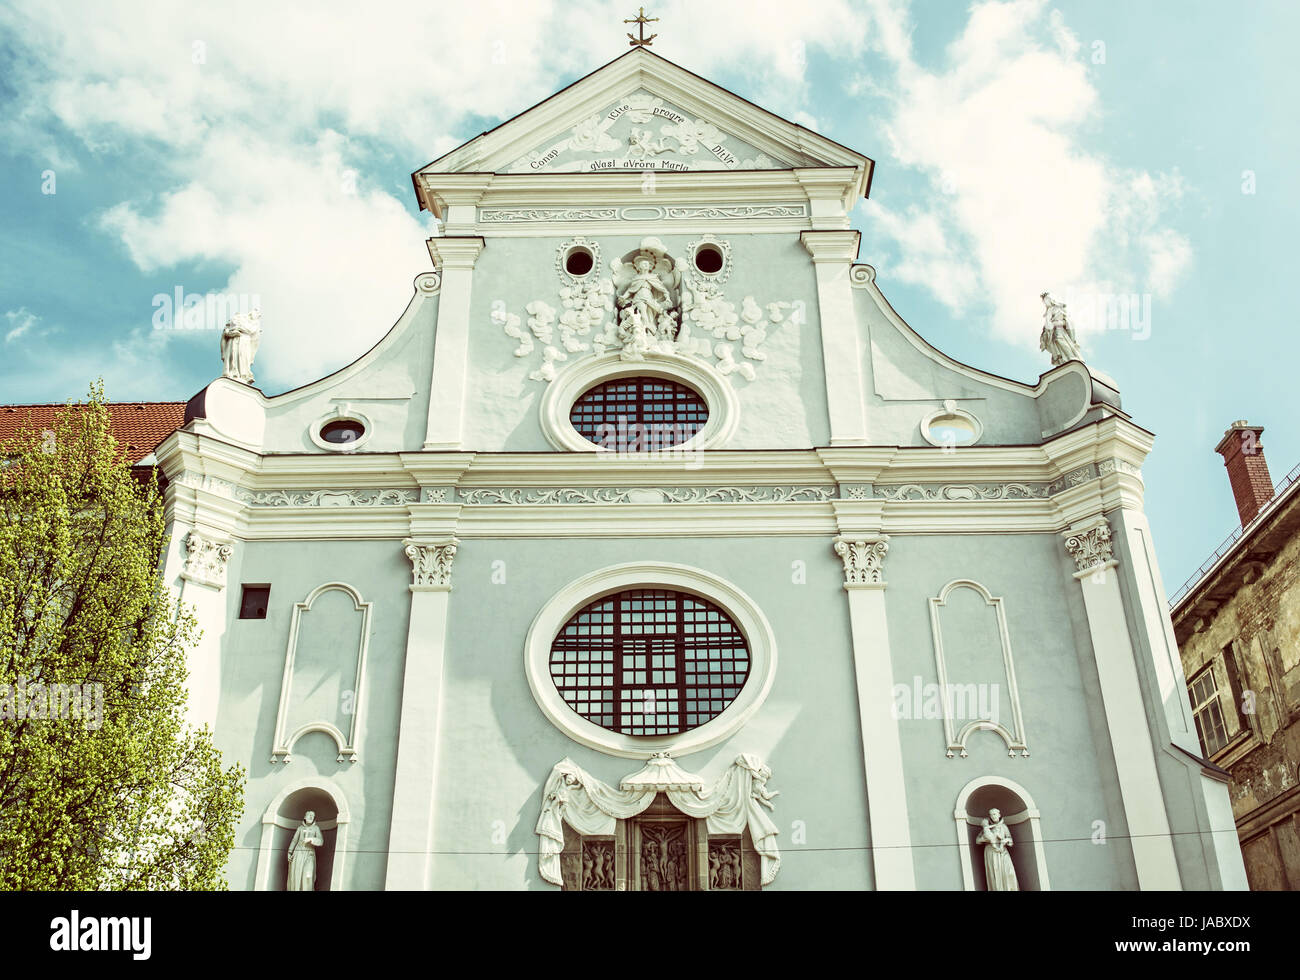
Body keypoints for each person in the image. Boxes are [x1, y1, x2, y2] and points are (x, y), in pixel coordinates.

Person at [976, 808, 1019, 891]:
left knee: (1009, 873)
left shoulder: (1004, 827)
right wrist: (986, 839)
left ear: (999, 815)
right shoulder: (987, 828)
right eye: (991, 815)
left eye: (994, 814)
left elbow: (1010, 840)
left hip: (1003, 851)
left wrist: (1005, 840)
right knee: (995, 873)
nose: (993, 816)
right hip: (991, 851)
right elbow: (977, 840)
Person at [287, 810, 324, 891]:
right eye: (309, 815)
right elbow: (294, 840)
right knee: (296, 874)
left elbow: (321, 841)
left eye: (312, 816)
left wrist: (311, 839)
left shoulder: (316, 828)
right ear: (304, 817)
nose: (311, 817)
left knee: (307, 875)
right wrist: (290, 852)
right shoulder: (300, 828)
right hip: (298, 853)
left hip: (309, 854)